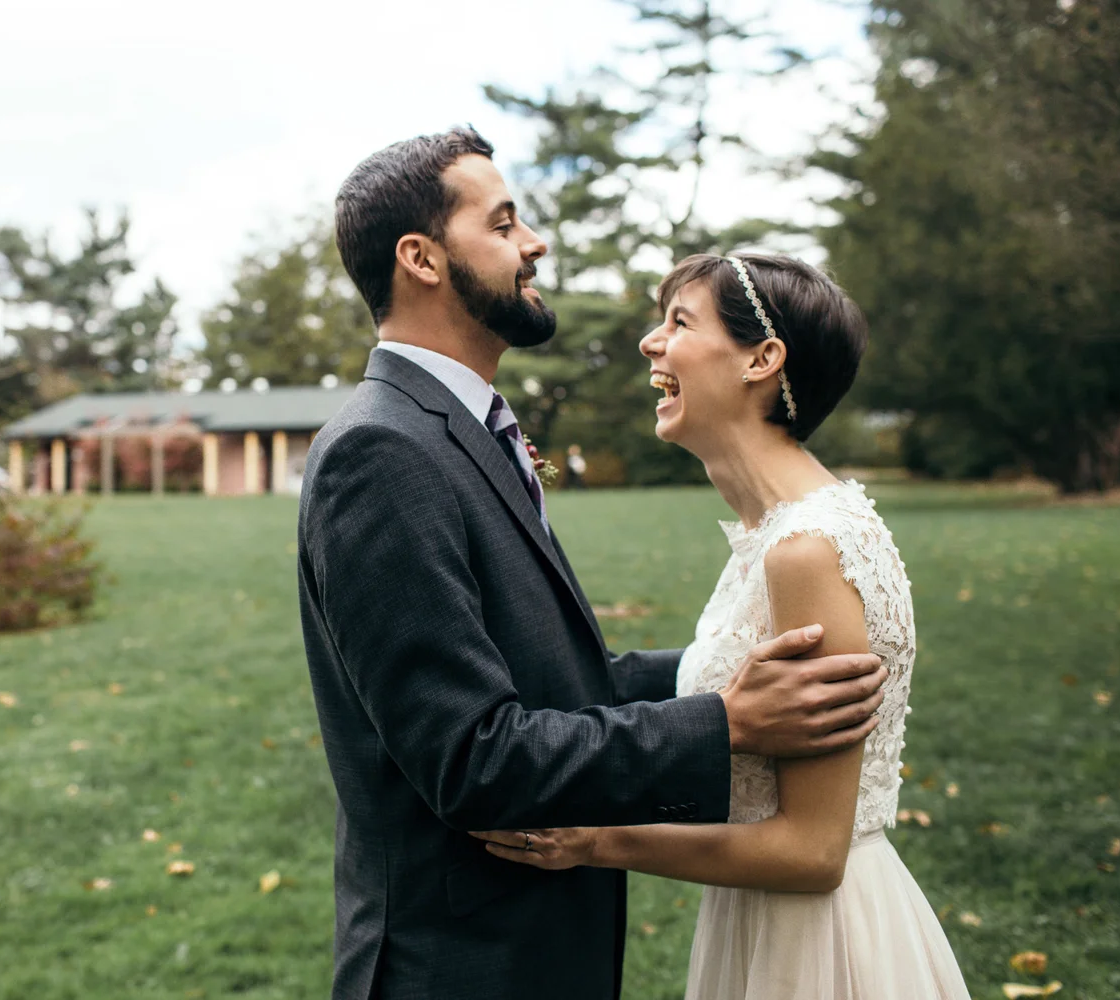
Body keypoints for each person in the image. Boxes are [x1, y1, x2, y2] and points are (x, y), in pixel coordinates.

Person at [296, 127, 889, 1000]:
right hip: (460, 966)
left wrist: (716, 670)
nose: (534, 243)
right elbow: (473, 758)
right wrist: (727, 722)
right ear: (421, 259)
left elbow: (554, 678)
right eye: (503, 225)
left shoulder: (459, 432)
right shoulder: (382, 452)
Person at [475, 253, 971, 999]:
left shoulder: (807, 551)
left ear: (762, 360)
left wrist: (595, 842)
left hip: (818, 944)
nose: (650, 342)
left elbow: (812, 853)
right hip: (756, 924)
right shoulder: (771, 532)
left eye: (680, 322)